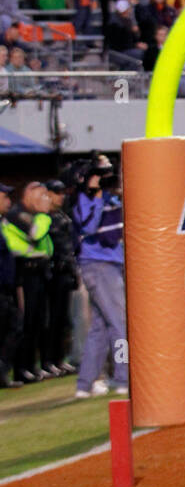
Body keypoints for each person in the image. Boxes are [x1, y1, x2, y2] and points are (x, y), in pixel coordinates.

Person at [73, 155, 129, 398]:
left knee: (100, 327)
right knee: (119, 323)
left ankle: (84, 385)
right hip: (99, 264)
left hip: (108, 264)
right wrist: (96, 196)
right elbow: (89, 227)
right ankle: (123, 377)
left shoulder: (111, 197)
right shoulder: (83, 200)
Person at [2, 181, 53, 384]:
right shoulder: (18, 215)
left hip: (38, 272)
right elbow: (36, 234)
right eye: (42, 197)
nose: (46, 201)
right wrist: (43, 216)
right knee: (25, 322)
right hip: (24, 273)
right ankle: (21, 368)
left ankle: (32, 366)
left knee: (39, 321)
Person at [45, 179, 78, 375]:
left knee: (63, 319)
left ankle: (58, 358)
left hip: (66, 271)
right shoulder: (45, 217)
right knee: (52, 318)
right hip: (53, 273)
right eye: (57, 192)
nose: (61, 196)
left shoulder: (61, 215)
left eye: (62, 192)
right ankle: (49, 360)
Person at [0, 182, 23, 388]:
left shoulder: (3, 223)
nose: (8, 201)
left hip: (6, 287)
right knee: (14, 325)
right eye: (4, 197)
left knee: (13, 325)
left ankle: (2, 372)